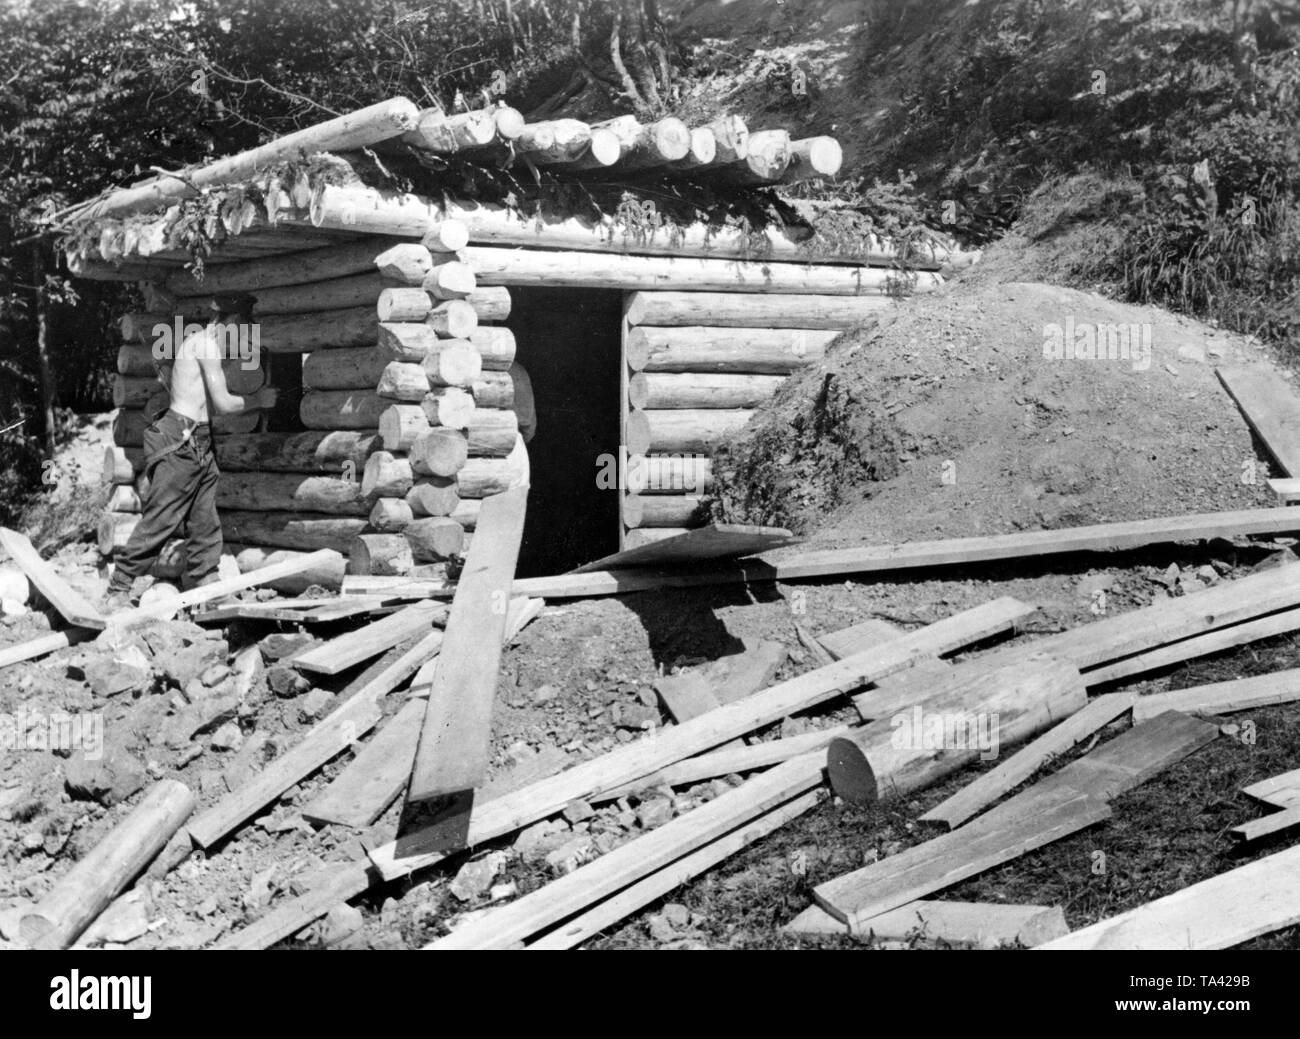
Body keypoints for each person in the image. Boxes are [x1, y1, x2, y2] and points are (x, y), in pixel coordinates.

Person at [103, 296, 277, 611]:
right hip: (179, 440)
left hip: (198, 439)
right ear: (233, 321)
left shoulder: (207, 346)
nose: (241, 337)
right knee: (162, 518)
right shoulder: (205, 346)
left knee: (205, 517)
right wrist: (259, 400)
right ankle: (118, 588)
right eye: (242, 329)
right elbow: (224, 404)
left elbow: (208, 403)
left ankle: (207, 583)